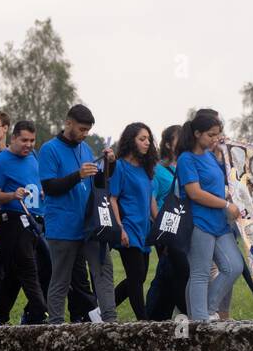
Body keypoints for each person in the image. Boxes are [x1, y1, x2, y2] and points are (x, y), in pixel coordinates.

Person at [39, 104, 115, 324]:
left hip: (90, 225)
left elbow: (98, 183)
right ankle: (54, 325)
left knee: (104, 270)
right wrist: (78, 175)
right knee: (61, 279)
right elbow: (50, 187)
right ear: (68, 123)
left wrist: (111, 164)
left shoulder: (86, 149)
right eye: (82, 129)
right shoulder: (49, 149)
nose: (85, 134)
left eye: (87, 130)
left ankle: (111, 322)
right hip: (62, 226)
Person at [177, 109, 243, 320]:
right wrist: (225, 204)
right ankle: (199, 320)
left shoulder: (210, 156)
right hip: (199, 222)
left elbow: (224, 181)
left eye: (217, 134)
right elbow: (194, 193)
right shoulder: (186, 159)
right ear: (197, 133)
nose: (215, 138)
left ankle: (206, 310)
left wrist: (225, 149)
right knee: (200, 273)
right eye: (211, 135)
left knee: (234, 266)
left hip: (220, 223)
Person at [0, 120, 47, 325]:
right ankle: (39, 313)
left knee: (15, 274)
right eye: (24, 140)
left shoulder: (33, 156)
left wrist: (42, 191)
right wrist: (13, 195)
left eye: (32, 140)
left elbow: (37, 180)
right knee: (30, 269)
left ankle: (0, 317)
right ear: (13, 138)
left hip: (36, 220)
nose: (28, 145)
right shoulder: (2, 161)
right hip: (13, 221)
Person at [108, 122, 159, 319]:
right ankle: (143, 321)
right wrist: (119, 228)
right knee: (136, 278)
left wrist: (160, 223)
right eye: (142, 139)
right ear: (131, 141)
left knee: (138, 277)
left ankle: (99, 309)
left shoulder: (146, 169)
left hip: (144, 230)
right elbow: (112, 198)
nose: (147, 143)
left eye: (148, 139)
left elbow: (151, 199)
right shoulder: (120, 166)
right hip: (128, 228)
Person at [145, 125, 188, 320]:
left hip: (184, 230)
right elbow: (151, 199)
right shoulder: (158, 170)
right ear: (169, 144)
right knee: (168, 273)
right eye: (178, 139)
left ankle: (165, 314)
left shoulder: (185, 166)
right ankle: (155, 314)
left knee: (174, 274)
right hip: (167, 230)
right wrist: (159, 226)